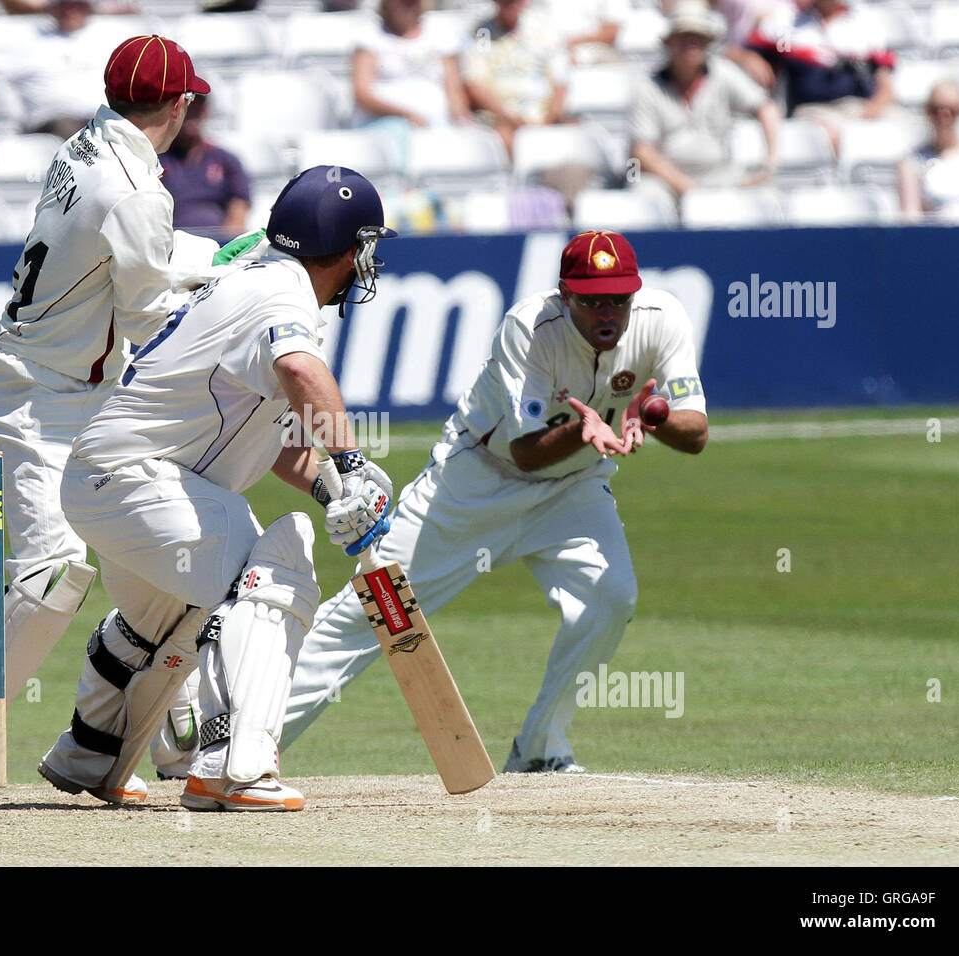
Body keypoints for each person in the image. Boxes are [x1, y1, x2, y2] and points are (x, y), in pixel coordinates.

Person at [0, 34, 245, 793]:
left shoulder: (87, 142)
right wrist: (230, 301)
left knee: (159, 548)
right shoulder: (135, 188)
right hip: (40, 394)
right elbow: (148, 318)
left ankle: (159, 735)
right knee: (54, 574)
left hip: (85, 389)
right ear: (181, 103)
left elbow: (133, 248)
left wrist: (222, 256)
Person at [37, 165, 397, 812]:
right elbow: (298, 366)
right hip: (137, 480)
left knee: (167, 618)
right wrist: (354, 464)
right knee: (278, 566)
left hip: (109, 481)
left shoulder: (255, 281)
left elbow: (288, 452)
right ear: (348, 250)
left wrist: (334, 492)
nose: (365, 265)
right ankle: (233, 766)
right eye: (366, 248)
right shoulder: (282, 298)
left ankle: (91, 751)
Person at [283, 230, 709, 774]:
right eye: (591, 300)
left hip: (573, 489)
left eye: (618, 300)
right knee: (372, 610)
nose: (608, 312)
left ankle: (539, 749)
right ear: (565, 294)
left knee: (612, 598)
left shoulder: (662, 317)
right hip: (474, 483)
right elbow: (527, 452)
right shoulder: (530, 327)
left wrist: (653, 415)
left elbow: (694, 434)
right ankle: (242, 749)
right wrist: (586, 430)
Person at [630, 0, 780, 198]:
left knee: (764, 194)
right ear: (670, 42)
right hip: (665, 180)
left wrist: (771, 163)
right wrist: (686, 187)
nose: (692, 44)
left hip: (719, 174)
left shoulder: (723, 72)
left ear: (707, 42)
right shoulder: (647, 85)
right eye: (685, 36)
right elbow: (642, 151)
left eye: (698, 37)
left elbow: (766, 108)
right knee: (644, 195)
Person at [744, 0, 895, 148]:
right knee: (830, 136)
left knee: (897, 134)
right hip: (814, 109)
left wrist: (873, 110)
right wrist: (751, 59)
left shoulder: (864, 23)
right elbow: (743, 51)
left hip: (859, 107)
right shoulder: (786, 24)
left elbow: (885, 82)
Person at [0, 0, 117, 139]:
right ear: (52, 9)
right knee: (76, 133)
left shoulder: (107, 38)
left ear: (88, 8)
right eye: (64, 5)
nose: (70, 11)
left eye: (77, 5)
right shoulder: (27, 39)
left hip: (99, 118)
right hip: (51, 120)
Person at [461, 0, 569, 157]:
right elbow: (475, 84)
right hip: (501, 120)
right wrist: (511, 119)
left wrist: (549, 119)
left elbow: (561, 80)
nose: (510, 4)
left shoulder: (545, 29)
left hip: (544, 117)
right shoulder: (482, 34)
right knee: (503, 139)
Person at [351, 0, 469, 130]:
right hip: (383, 126)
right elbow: (362, 94)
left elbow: (454, 92)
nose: (408, 5)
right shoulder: (370, 34)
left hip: (438, 127)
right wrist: (406, 115)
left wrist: (462, 121)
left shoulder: (441, 32)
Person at [159, 94, 250, 238]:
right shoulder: (157, 160)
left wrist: (224, 249)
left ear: (206, 111)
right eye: (186, 106)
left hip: (218, 246)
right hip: (171, 245)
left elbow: (239, 209)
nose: (192, 112)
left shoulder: (227, 160)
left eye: (197, 106)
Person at [898, 80, 959, 223]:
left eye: (952, 110)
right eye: (936, 109)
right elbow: (911, 220)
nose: (944, 116)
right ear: (927, 112)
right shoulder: (912, 162)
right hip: (936, 241)